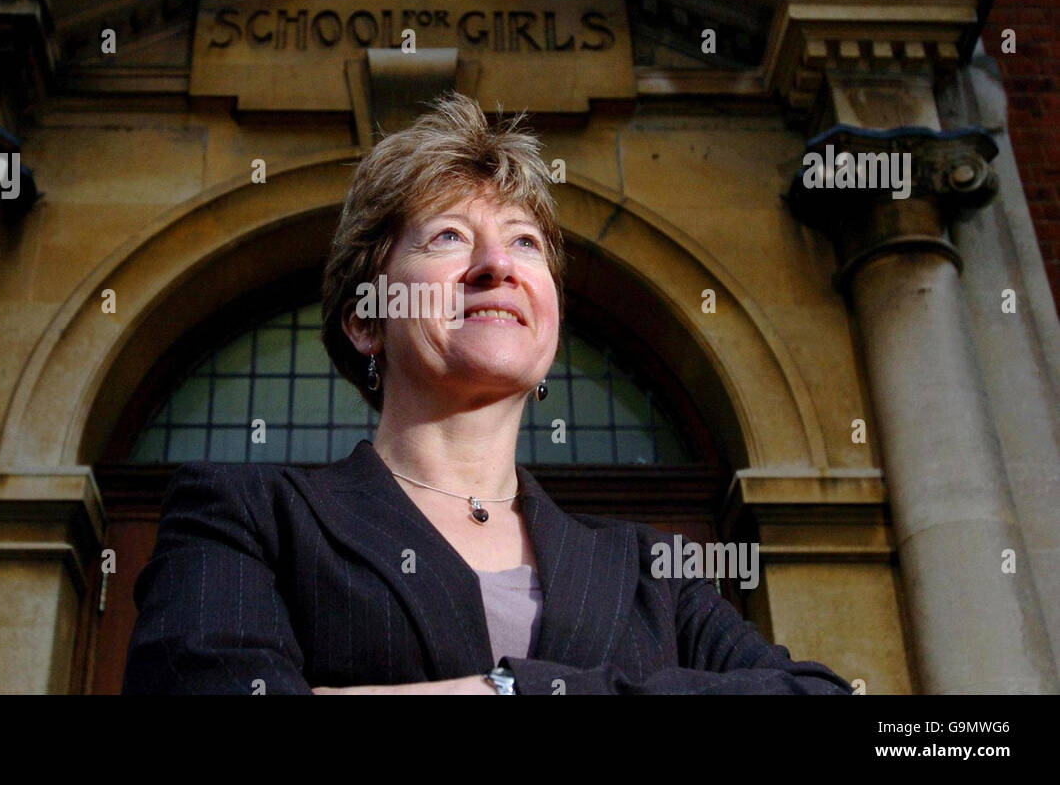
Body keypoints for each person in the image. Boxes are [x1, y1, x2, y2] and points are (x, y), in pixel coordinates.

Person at [122, 91, 854, 695]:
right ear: (367, 320)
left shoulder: (647, 566)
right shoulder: (246, 516)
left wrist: (510, 691)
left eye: (525, 242)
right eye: (446, 237)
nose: (497, 265)